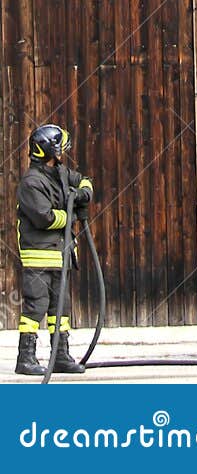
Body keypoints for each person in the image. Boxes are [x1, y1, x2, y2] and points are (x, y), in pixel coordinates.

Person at [15, 123, 93, 377]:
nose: (63, 152)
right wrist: (71, 215)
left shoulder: (59, 172)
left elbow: (84, 180)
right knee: (36, 306)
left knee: (61, 307)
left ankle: (60, 356)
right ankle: (25, 358)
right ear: (49, 150)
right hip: (38, 256)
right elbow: (44, 218)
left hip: (61, 255)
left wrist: (83, 193)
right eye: (60, 147)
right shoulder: (31, 182)